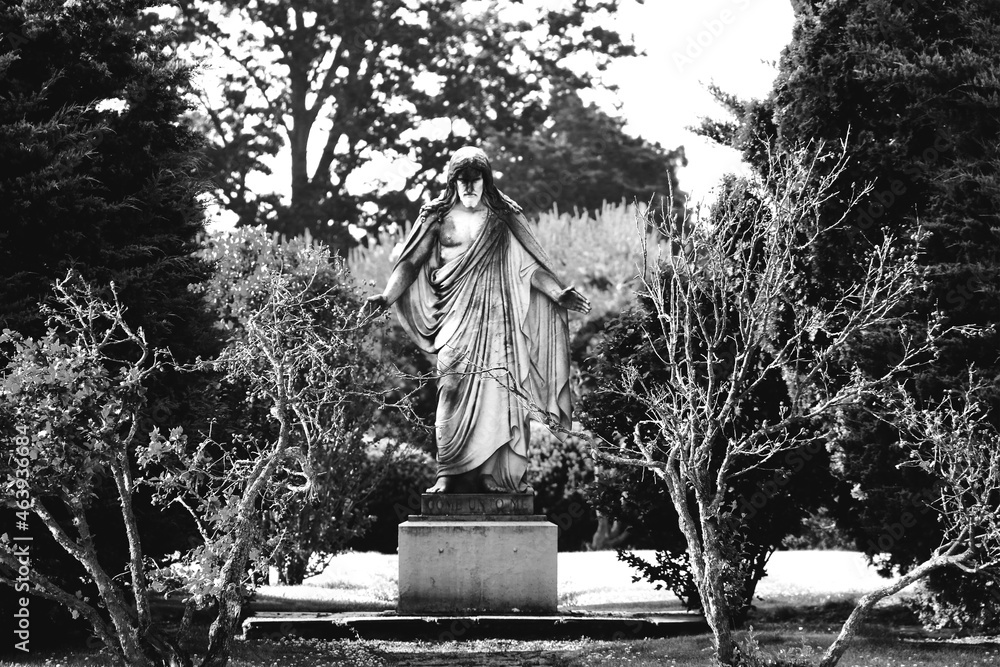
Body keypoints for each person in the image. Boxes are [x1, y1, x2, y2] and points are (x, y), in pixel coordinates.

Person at [367, 146, 590, 493]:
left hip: (500, 322)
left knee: (502, 395)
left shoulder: (502, 218)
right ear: (452, 182)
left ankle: (496, 475)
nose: (470, 187)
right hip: (456, 318)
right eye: (463, 180)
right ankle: (448, 473)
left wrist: (558, 293)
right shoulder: (437, 218)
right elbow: (410, 264)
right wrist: (386, 296)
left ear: (487, 181)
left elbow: (529, 269)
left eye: (477, 179)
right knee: (451, 387)